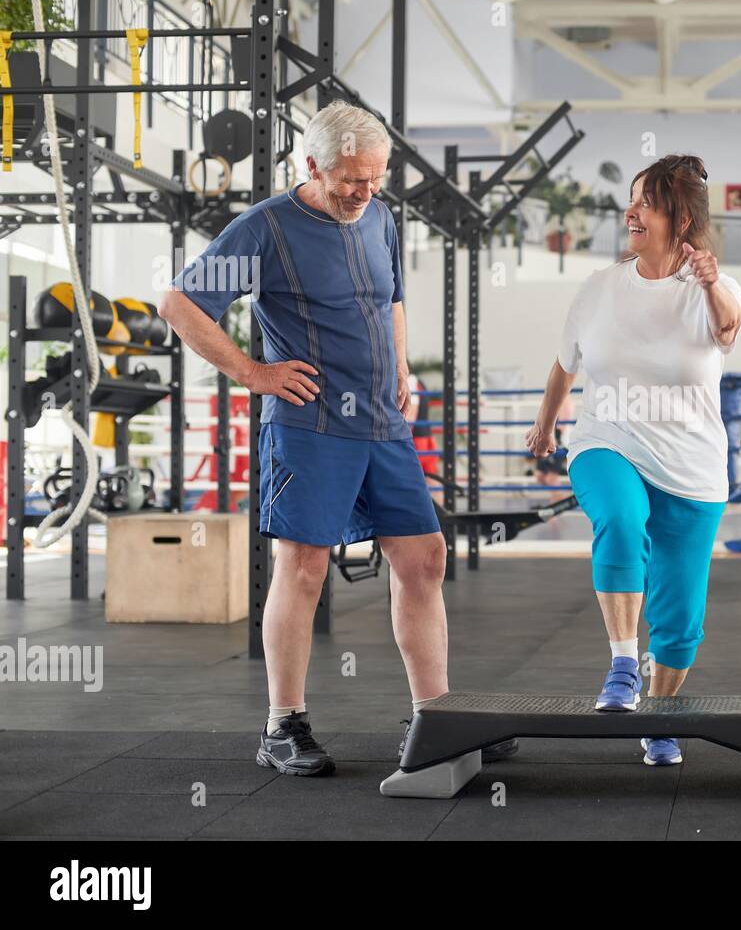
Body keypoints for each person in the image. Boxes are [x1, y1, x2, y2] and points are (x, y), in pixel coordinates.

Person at [160, 100, 514, 776]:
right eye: (351, 179)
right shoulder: (265, 228)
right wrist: (252, 372)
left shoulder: (379, 215)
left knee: (425, 557)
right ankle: (282, 724)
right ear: (312, 165)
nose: (364, 191)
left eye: (374, 178)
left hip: (384, 422)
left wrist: (402, 363)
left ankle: (434, 715)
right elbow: (179, 303)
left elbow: (393, 299)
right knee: (305, 568)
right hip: (310, 426)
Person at [525, 154, 741, 767]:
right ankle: (623, 662)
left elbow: (727, 331)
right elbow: (566, 363)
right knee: (620, 520)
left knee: (680, 622)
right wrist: (546, 424)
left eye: (647, 202)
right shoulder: (598, 288)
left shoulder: (716, 291)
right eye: (633, 200)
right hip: (607, 442)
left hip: (693, 471)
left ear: (681, 218)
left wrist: (707, 282)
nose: (632, 212)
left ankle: (659, 713)